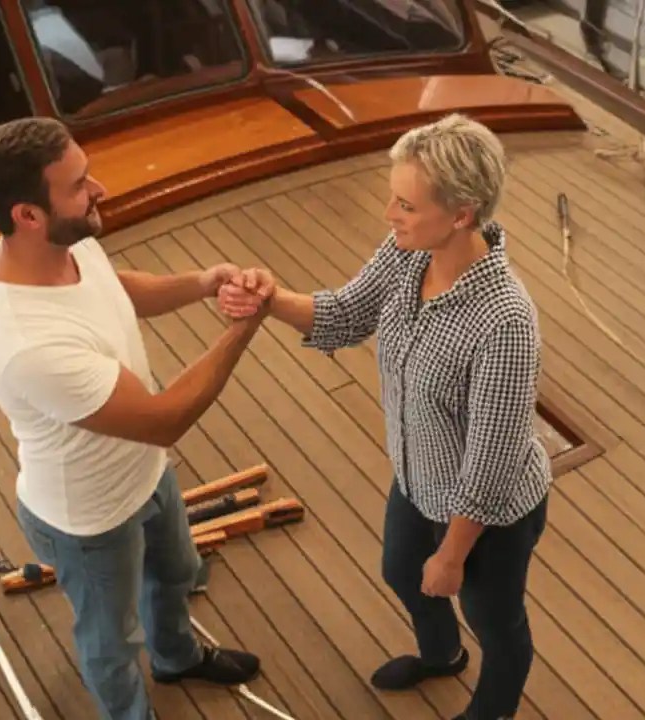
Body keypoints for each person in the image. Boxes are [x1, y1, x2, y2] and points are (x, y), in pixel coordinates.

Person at [219, 113, 550, 720]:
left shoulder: (506, 323)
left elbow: (492, 465)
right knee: (401, 570)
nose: (388, 215)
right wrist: (269, 301)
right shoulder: (408, 254)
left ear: (462, 214)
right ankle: (443, 655)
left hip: (490, 514)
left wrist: (452, 557)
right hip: (418, 476)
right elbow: (345, 313)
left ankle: (492, 712)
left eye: (405, 204)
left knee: (494, 620)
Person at [0, 116, 268, 720]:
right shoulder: (27, 341)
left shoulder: (60, 242)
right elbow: (165, 418)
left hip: (145, 472)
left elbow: (113, 286)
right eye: (79, 184)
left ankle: (177, 657)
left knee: (179, 571)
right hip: (88, 518)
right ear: (28, 213)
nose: (99, 188)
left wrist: (203, 283)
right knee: (111, 642)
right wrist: (245, 328)